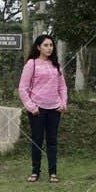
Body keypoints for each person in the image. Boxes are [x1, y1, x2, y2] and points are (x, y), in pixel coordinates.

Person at [18, 33, 68, 183]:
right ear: (39, 47)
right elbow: (22, 88)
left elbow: (62, 87)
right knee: (37, 140)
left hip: (55, 109)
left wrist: (63, 103)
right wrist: (31, 106)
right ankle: (35, 172)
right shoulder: (31, 64)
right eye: (46, 45)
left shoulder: (56, 65)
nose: (49, 48)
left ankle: (53, 172)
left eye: (51, 45)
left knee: (52, 141)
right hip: (37, 109)